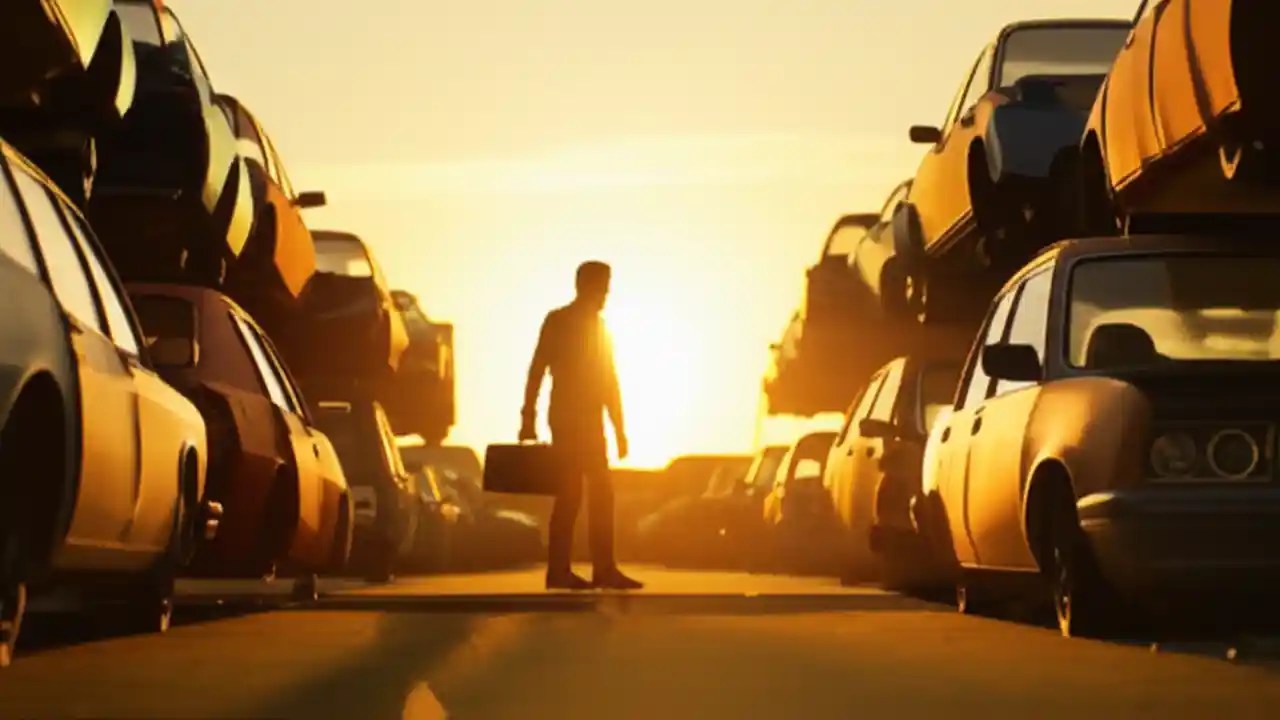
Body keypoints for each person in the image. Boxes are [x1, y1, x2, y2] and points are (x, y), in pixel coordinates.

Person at [521, 261, 643, 590]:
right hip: (567, 419)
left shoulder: (600, 327)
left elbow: (609, 380)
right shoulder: (558, 321)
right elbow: (537, 369)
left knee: (601, 494)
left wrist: (619, 428)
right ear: (585, 286)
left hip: (591, 420)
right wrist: (527, 418)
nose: (606, 294)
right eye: (603, 286)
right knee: (570, 493)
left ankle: (603, 569)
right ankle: (559, 571)